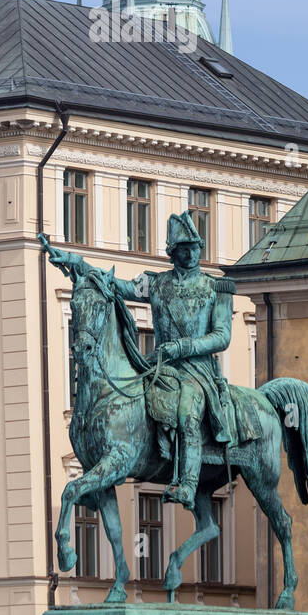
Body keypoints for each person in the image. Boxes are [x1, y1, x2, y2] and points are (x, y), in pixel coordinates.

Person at [40, 210, 236, 510]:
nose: (191, 253)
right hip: (160, 367)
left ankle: (187, 483)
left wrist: (182, 347)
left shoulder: (216, 288)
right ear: (173, 253)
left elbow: (222, 336)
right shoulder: (157, 284)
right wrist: (76, 262)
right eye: (184, 248)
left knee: (187, 411)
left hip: (198, 371)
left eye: (195, 247)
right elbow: (115, 285)